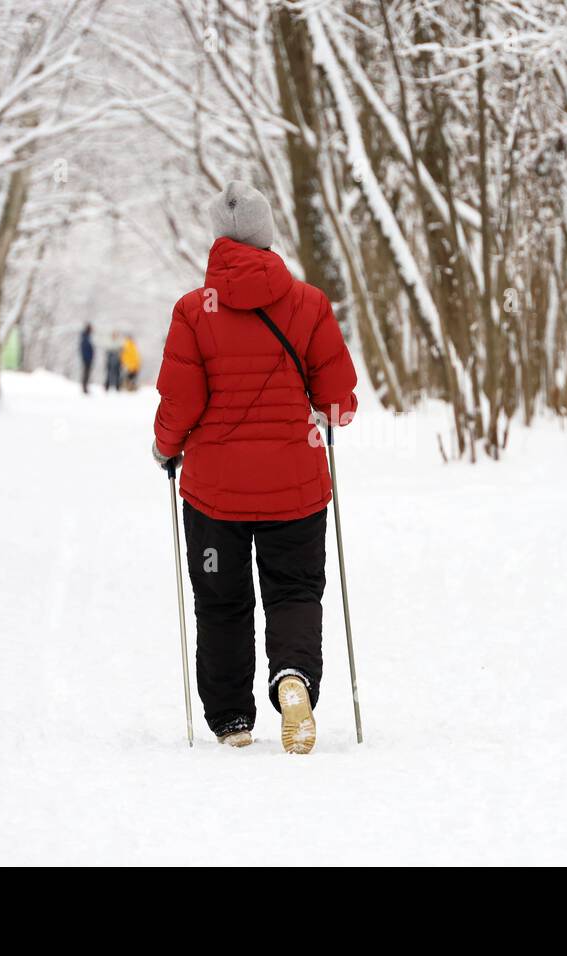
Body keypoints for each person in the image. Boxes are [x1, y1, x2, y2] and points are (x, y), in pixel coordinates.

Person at [151, 180, 357, 754]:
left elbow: (181, 403)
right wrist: (325, 412)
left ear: (219, 239)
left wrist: (166, 446)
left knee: (222, 600)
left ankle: (232, 722)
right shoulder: (309, 303)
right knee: (294, 591)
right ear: (268, 237)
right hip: (297, 487)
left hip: (214, 495)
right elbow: (339, 399)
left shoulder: (195, 309)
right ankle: (293, 681)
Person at [78, 323, 94, 394]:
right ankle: (84, 388)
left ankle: (85, 387)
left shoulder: (87, 337)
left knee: (87, 373)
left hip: (88, 359)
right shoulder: (85, 337)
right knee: (86, 373)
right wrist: (87, 358)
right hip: (86, 359)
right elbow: (84, 349)